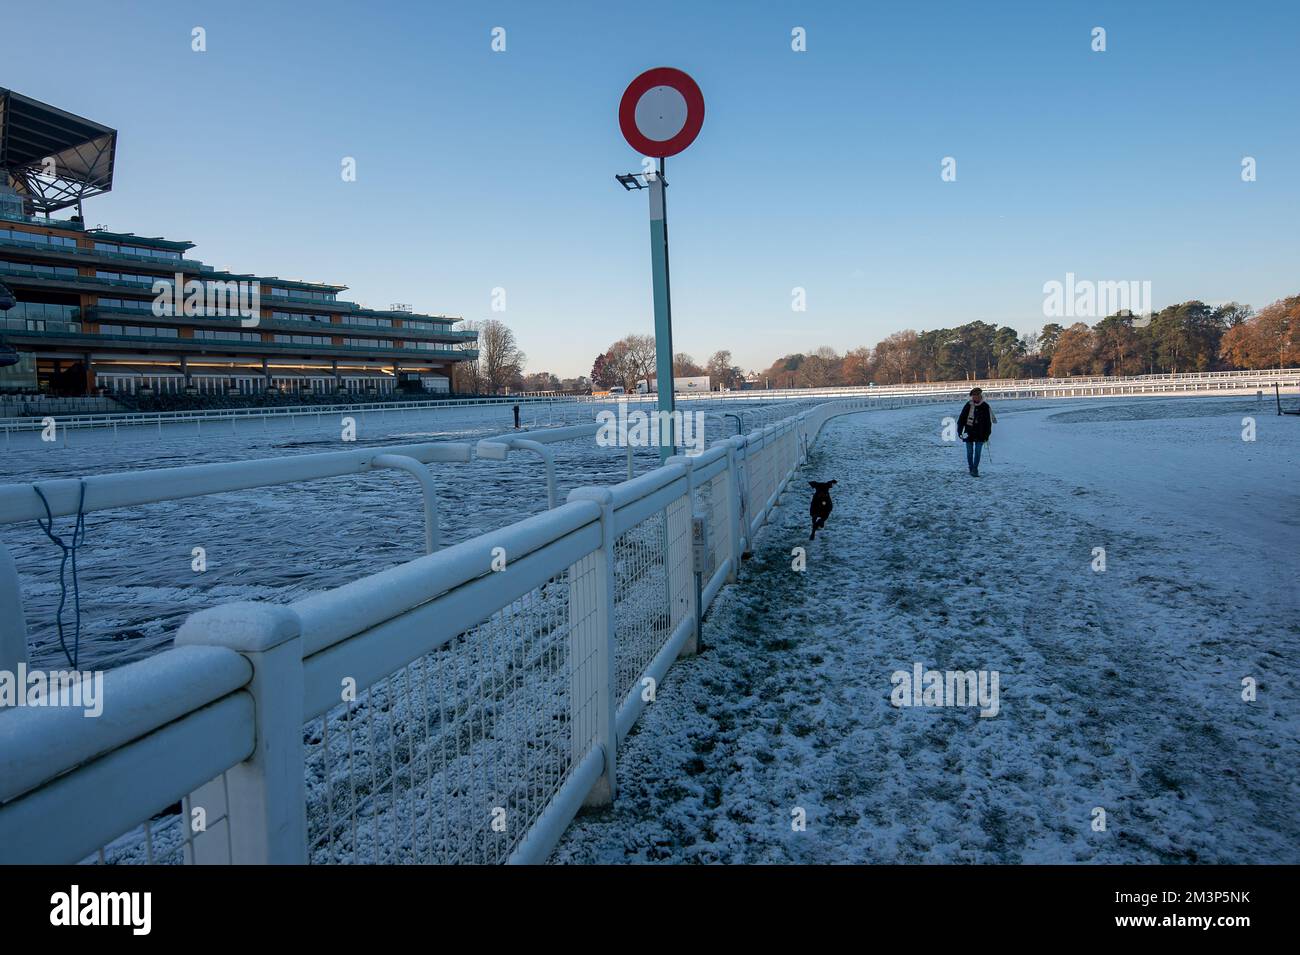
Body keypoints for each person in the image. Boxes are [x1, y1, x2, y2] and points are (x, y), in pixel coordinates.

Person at [956, 387, 996, 477]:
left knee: (977, 453)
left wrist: (987, 435)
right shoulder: (968, 405)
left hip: (981, 434)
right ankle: (971, 468)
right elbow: (961, 419)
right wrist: (960, 431)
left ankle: (975, 469)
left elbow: (988, 423)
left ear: (980, 395)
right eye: (973, 395)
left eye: (976, 395)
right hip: (969, 433)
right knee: (969, 453)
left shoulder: (985, 406)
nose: (975, 397)